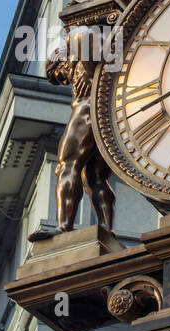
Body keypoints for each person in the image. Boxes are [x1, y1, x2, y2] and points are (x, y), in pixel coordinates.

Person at [28, 26, 115, 241]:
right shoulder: (96, 60)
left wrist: (69, 39)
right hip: (104, 113)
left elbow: (82, 34)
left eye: (60, 70)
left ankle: (64, 226)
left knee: (66, 166)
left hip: (84, 113)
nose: (62, 75)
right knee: (94, 177)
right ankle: (106, 229)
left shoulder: (85, 50)